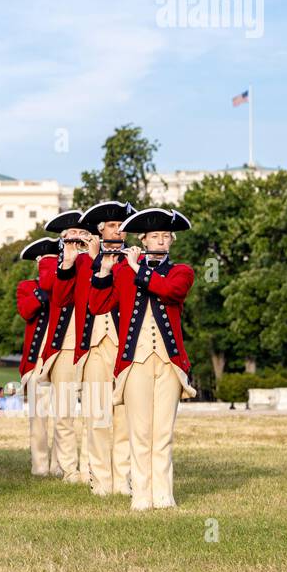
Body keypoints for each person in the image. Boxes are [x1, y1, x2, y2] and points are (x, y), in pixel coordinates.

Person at [111, 207, 197, 510]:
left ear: (171, 240)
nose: (160, 240)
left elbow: (170, 291)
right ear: (142, 239)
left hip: (169, 362)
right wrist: (100, 271)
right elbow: (98, 304)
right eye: (154, 236)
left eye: (165, 236)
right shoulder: (123, 270)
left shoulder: (181, 271)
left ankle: (163, 495)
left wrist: (137, 270)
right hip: (135, 361)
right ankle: (141, 495)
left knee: (163, 432)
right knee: (140, 431)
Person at [74, 200, 136, 497]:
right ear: (100, 231)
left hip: (125, 347)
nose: (118, 231)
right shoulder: (85, 261)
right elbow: (73, 299)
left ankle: (123, 479)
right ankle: (101, 481)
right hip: (95, 347)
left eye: (122, 226)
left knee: (124, 417)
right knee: (98, 417)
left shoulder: (133, 261)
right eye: (112, 226)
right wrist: (96, 260)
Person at [37, 209, 93, 484]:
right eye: (72, 235)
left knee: (97, 410)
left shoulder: (97, 260)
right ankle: (70, 467)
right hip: (65, 346)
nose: (78, 239)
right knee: (65, 411)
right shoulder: (51, 262)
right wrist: (68, 261)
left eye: (83, 234)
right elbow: (50, 287)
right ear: (62, 239)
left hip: (93, 343)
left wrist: (90, 256)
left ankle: (92, 465)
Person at [16, 237, 58, 476]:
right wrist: (44, 289)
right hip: (36, 360)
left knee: (63, 414)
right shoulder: (26, 286)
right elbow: (26, 311)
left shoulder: (64, 285)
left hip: (60, 354)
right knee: (38, 417)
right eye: (43, 261)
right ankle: (40, 465)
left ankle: (60, 464)